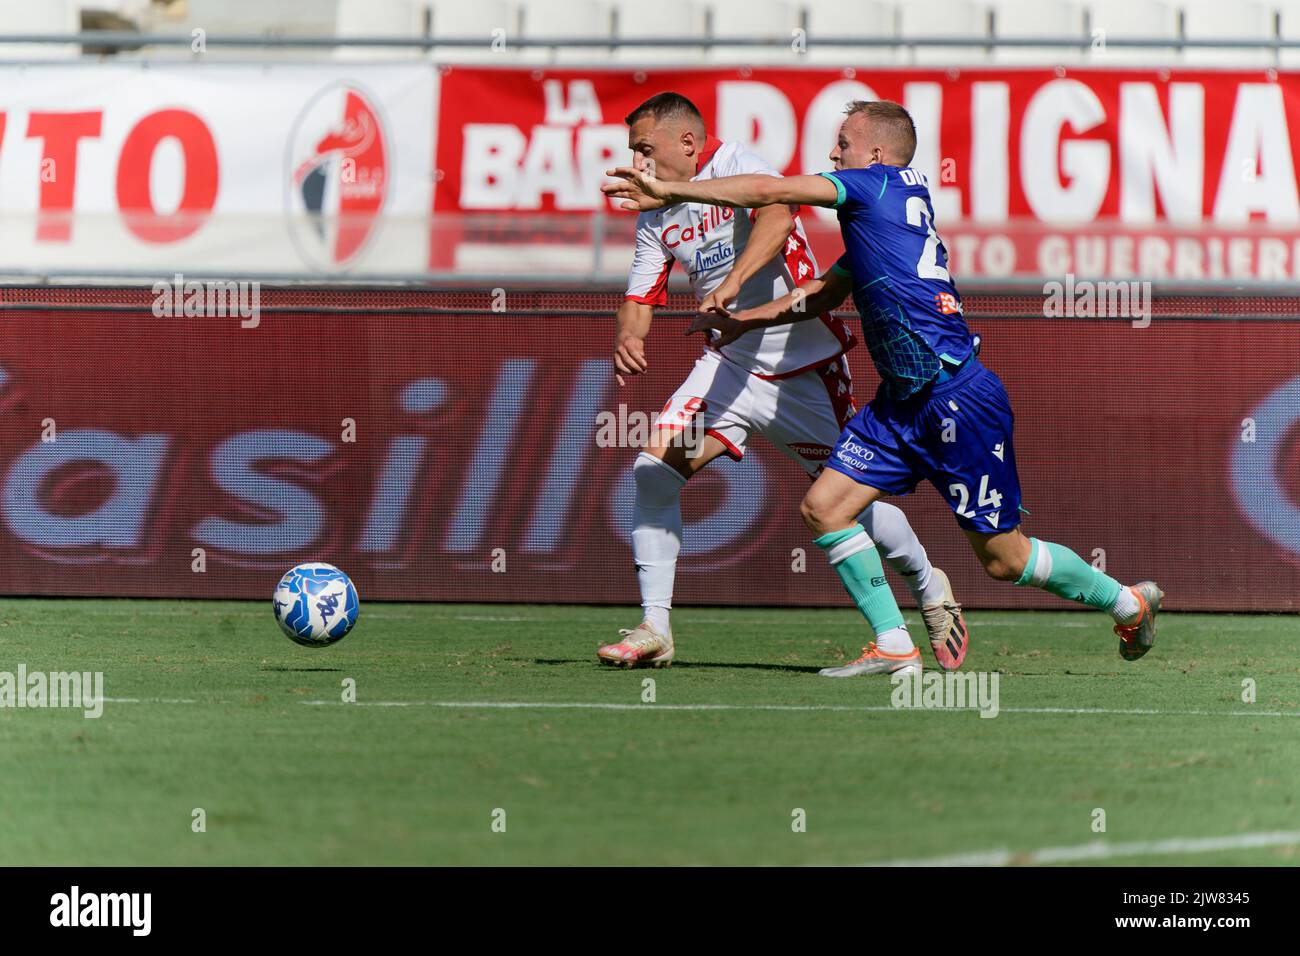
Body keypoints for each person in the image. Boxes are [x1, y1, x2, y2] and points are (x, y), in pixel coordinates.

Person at [603, 99, 1163, 670]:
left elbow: (771, 194)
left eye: (841, 142)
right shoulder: (879, 218)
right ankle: (894, 643)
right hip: (898, 402)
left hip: (954, 395)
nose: (831, 152)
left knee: (1006, 561)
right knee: (825, 507)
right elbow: (822, 294)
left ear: (873, 153)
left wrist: (679, 194)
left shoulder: (873, 185)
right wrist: (743, 319)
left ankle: (1126, 601)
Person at [599, 92, 967, 674]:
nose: (638, 162)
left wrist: (737, 279)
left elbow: (775, 214)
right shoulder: (655, 212)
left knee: (849, 505)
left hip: (802, 367)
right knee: (653, 472)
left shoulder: (742, 165)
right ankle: (654, 628)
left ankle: (927, 581)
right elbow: (640, 295)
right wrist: (631, 338)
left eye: (645, 149)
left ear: (687, 143)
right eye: (634, 153)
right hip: (728, 368)